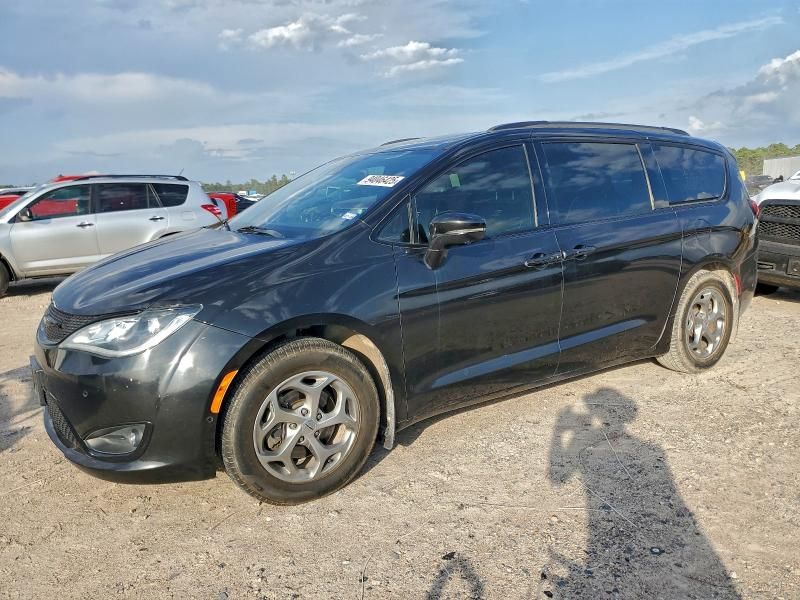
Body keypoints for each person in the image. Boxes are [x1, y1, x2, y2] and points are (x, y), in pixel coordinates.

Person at [545, 388, 741, 598]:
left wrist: (559, 429)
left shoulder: (646, 449)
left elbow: (557, 479)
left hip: (609, 530)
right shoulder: (654, 450)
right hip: (658, 540)